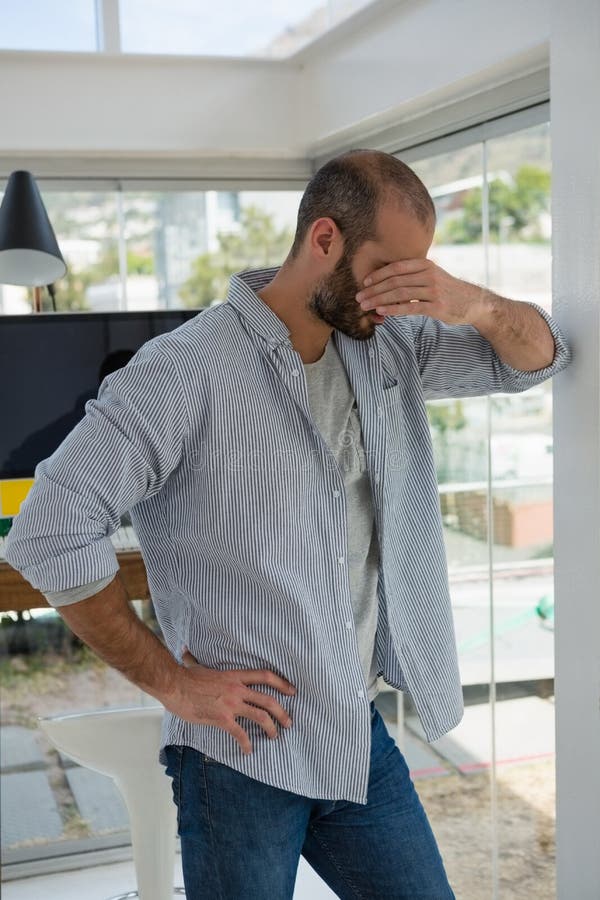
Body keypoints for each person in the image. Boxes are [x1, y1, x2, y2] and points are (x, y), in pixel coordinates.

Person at [4, 149, 571, 899]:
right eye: (388, 270)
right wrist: (174, 684)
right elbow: (48, 530)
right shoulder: (183, 370)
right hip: (241, 756)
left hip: (355, 732)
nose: (400, 293)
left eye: (418, 274)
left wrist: (472, 304)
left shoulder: (390, 344)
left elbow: (536, 359)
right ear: (325, 239)